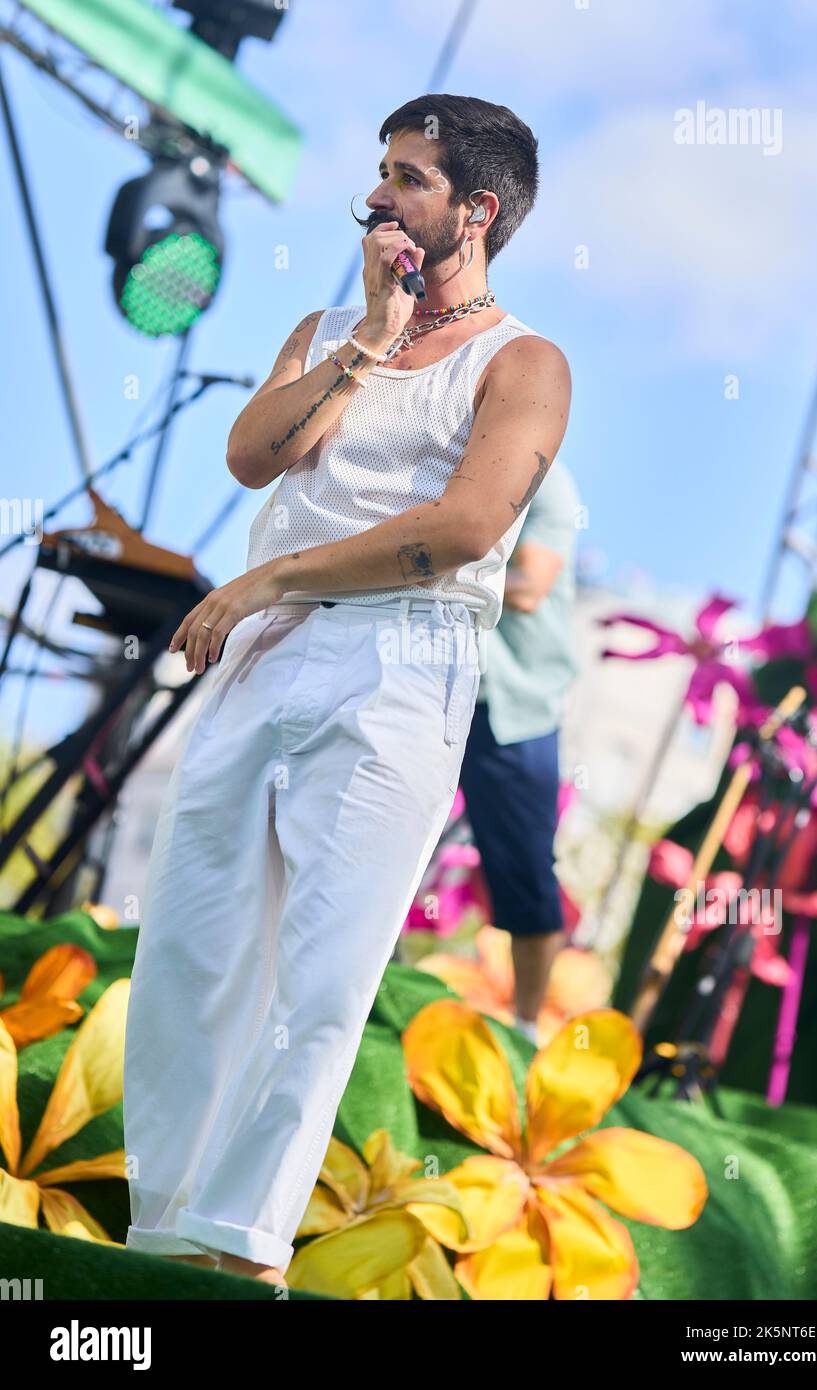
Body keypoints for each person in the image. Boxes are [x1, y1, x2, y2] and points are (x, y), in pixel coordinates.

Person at [122, 93, 571, 1288]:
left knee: (321, 971)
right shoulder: (330, 329)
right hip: (269, 650)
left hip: (400, 657)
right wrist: (367, 337)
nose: (377, 193)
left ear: (474, 209)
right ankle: (161, 1228)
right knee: (189, 946)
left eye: (408, 177)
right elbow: (252, 455)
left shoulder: (521, 360)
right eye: (378, 169)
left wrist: (271, 573)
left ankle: (239, 1244)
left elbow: (467, 528)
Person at [457, 459, 580, 1044]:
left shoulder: (547, 482)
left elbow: (529, 589)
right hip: (427, 682)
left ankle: (527, 1027)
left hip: (512, 706)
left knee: (526, 871)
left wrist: (421, 557)